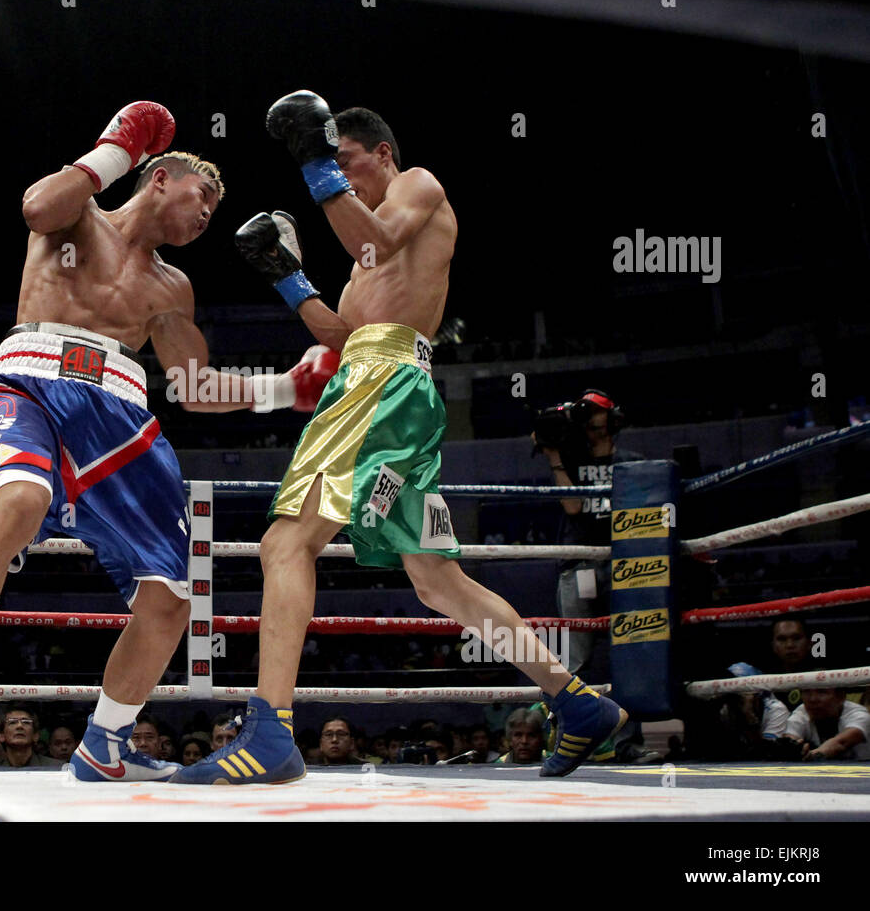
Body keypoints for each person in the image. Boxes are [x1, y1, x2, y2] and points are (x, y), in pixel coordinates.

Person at [0, 101, 336, 780]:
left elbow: (193, 385)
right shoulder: (76, 219)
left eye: (213, 210)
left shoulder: (174, 286)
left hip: (122, 415)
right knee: (21, 502)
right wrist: (117, 147)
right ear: (160, 177)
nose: (206, 214)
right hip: (32, 379)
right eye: (201, 195)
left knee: (170, 598)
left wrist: (283, 389)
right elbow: (35, 206)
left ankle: (105, 745)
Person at [174, 91, 625, 785]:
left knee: (287, 541)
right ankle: (578, 701)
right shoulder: (362, 265)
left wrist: (312, 164)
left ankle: (268, 730)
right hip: (381, 384)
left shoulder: (418, 186)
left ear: (383, 155)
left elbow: (375, 241)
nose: (343, 181)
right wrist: (286, 276)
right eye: (336, 171)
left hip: (382, 388)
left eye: (349, 166)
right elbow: (340, 336)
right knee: (436, 580)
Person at [533, 389, 641, 675]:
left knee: (631, 645)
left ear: (612, 419)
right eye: (585, 412)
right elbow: (572, 506)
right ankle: (577, 712)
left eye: (596, 411)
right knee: (577, 655)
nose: (589, 418)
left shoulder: (632, 463)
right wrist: (554, 455)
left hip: (623, 564)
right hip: (579, 562)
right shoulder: (570, 461)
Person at [781, 685, 869, 761]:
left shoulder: (859, 715)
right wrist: (794, 748)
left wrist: (811, 755)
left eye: (822, 692)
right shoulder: (801, 713)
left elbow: (840, 743)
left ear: (841, 697)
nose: (813, 699)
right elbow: (791, 740)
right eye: (807, 692)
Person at [0, 705, 61, 769]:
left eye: (26, 722)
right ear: (1, 735)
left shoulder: (57, 768)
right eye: (12, 722)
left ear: (35, 735)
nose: (19, 726)